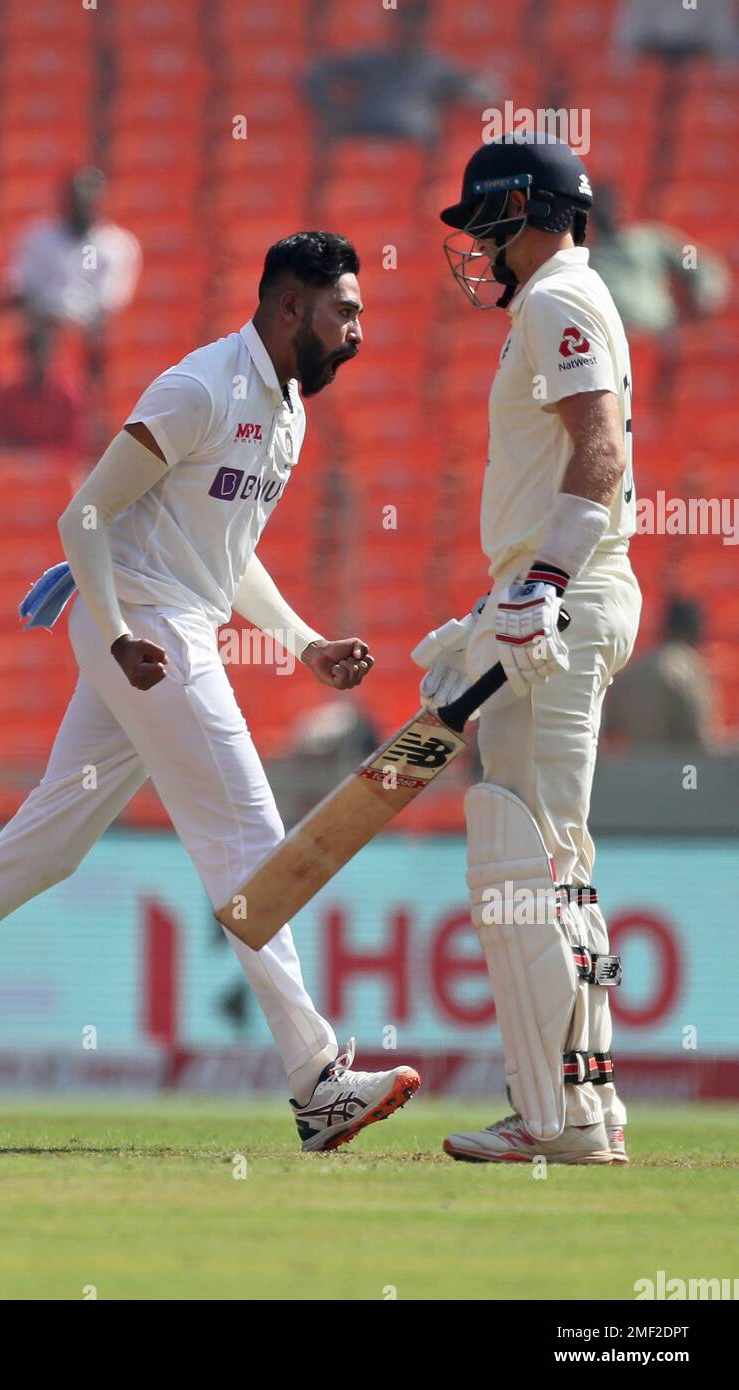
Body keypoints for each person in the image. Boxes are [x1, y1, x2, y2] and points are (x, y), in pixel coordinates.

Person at [0, 232, 422, 1151]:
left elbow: (226, 556)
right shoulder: (200, 386)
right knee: (252, 846)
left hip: (169, 633)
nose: (357, 332)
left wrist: (302, 644)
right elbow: (82, 514)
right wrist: (123, 633)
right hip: (148, 632)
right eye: (346, 311)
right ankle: (317, 1078)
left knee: (43, 849)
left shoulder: (287, 410)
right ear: (291, 305)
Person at [420, 133, 642, 1165]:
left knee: (526, 857)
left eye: (484, 225)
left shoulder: (555, 297)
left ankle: (553, 1118)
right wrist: (493, 607)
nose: (477, 248)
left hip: (569, 594)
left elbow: (599, 449)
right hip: (560, 592)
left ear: (522, 212)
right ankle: (583, 1106)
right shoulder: (565, 297)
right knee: (558, 863)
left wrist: (541, 585)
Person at [305, 0, 495, 146]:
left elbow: (486, 93)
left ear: (426, 28)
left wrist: (463, 94)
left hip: (414, 140)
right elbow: (315, 74)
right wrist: (332, 112)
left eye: (418, 23)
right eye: (408, 22)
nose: (412, 29)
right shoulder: (371, 59)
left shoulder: (438, 67)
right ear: (398, 25)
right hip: (363, 132)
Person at [588, 185, 731, 337]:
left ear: (622, 207)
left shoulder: (653, 240)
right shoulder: (587, 256)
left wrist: (705, 294)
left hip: (659, 335)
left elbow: (697, 262)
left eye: (609, 206)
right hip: (612, 338)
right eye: (600, 209)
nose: (606, 213)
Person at [11, 168, 141, 331]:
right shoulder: (38, 237)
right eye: (77, 199)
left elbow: (112, 298)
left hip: (92, 329)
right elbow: (26, 284)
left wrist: (75, 318)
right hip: (44, 325)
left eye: (89, 201)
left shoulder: (117, 244)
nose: (82, 207)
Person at [602, 596, 715, 749]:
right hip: (681, 768)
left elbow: (607, 728)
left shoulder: (631, 669)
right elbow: (700, 738)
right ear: (696, 629)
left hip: (634, 767)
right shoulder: (688, 669)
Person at [0, 321, 87, 453]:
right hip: (18, 464)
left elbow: (74, 445)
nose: (39, 362)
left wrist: (41, 460)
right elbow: (0, 440)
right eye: (33, 354)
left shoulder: (67, 396)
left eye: (44, 355)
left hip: (56, 465)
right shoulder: (7, 395)